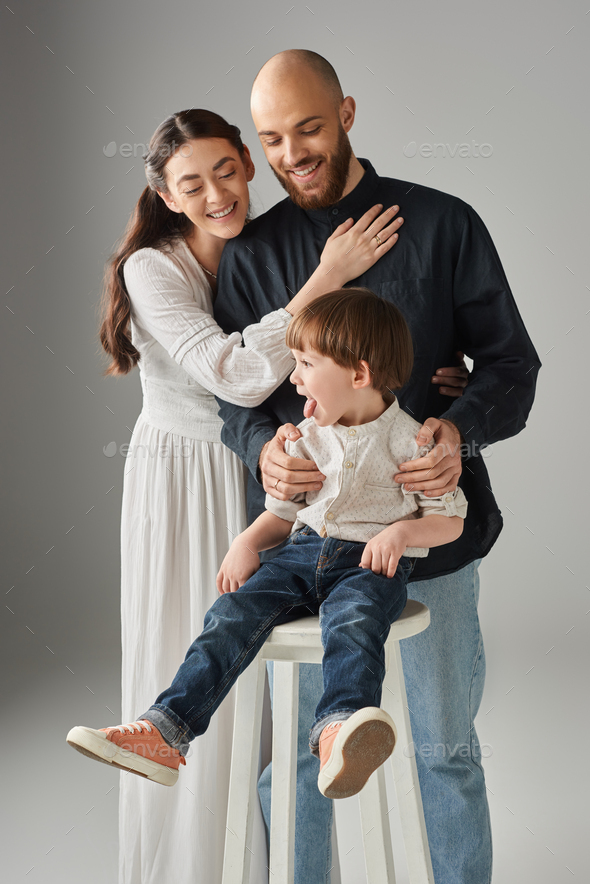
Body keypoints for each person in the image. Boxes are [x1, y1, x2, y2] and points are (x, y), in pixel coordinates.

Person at [212, 50, 542, 884]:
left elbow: (511, 365)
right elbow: (238, 398)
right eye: (273, 138)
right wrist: (266, 457)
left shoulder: (443, 222)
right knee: (297, 760)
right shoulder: (251, 256)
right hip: (310, 548)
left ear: (349, 113)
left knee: (445, 752)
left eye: (310, 128)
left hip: (429, 538)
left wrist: (454, 433)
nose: (292, 154)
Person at [94, 107, 406, 884]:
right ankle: (181, 850)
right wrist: (326, 279)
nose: (216, 195)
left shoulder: (262, 251)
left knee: (268, 676)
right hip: (181, 474)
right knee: (192, 636)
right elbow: (233, 372)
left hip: (270, 469)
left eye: (226, 171)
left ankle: (264, 860)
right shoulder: (152, 267)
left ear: (247, 162)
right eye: (191, 184)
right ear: (166, 195)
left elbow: (341, 366)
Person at [67, 287, 468, 807]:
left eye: (304, 363)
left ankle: (339, 732)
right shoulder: (304, 436)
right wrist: (247, 542)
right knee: (232, 612)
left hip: (367, 565)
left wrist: (402, 534)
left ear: (359, 374)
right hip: (301, 554)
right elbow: (281, 515)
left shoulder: (412, 441)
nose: (294, 376)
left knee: (354, 621)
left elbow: (448, 520)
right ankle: (165, 731)